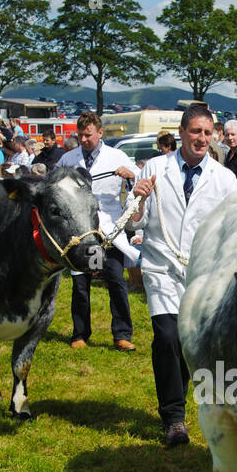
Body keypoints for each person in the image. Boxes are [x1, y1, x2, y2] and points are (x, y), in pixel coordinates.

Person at [128, 106, 237, 446]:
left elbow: (232, 229)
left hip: (202, 274)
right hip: (162, 267)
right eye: (195, 132)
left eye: (207, 133)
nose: (201, 139)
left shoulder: (224, 179)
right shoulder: (155, 168)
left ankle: (178, 402)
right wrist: (138, 199)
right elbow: (135, 223)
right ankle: (174, 418)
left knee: (188, 343)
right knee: (166, 336)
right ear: (181, 132)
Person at [57, 111, 139, 352]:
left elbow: (138, 185)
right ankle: (80, 333)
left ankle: (122, 334)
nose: (83, 140)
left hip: (108, 227)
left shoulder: (118, 157)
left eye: (88, 135)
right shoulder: (68, 160)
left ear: (100, 133)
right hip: (79, 229)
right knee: (80, 283)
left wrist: (131, 175)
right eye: (80, 135)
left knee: (115, 280)